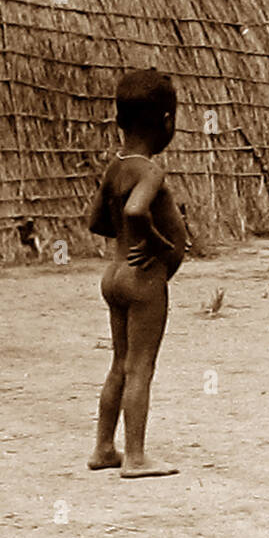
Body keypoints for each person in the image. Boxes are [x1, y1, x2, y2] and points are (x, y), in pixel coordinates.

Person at [85, 70, 189, 478]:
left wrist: (127, 238)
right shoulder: (150, 171)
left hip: (114, 273)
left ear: (119, 122)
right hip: (143, 280)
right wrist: (159, 245)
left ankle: (103, 448)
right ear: (167, 122)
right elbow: (135, 210)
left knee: (120, 363)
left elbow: (96, 220)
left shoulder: (117, 166)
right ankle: (137, 457)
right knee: (141, 367)